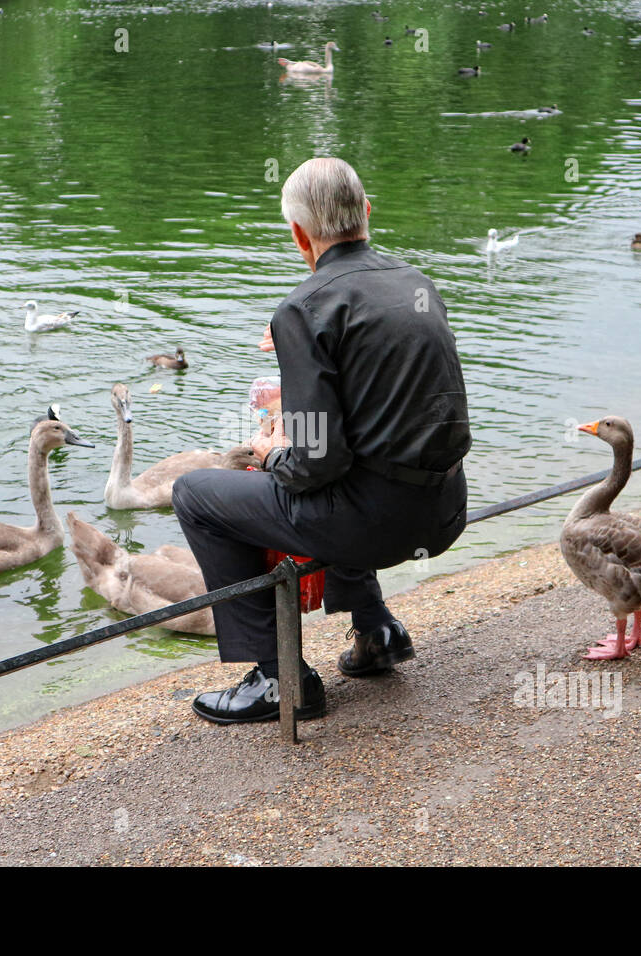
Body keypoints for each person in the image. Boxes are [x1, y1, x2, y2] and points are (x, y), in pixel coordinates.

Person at [172, 157, 470, 725]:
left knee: (194, 493)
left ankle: (278, 678)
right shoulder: (417, 285)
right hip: (443, 512)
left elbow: (315, 461)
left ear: (298, 234)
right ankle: (377, 629)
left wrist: (270, 451)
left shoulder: (305, 308)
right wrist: (297, 342)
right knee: (363, 473)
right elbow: (390, 404)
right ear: (366, 213)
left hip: (372, 526)